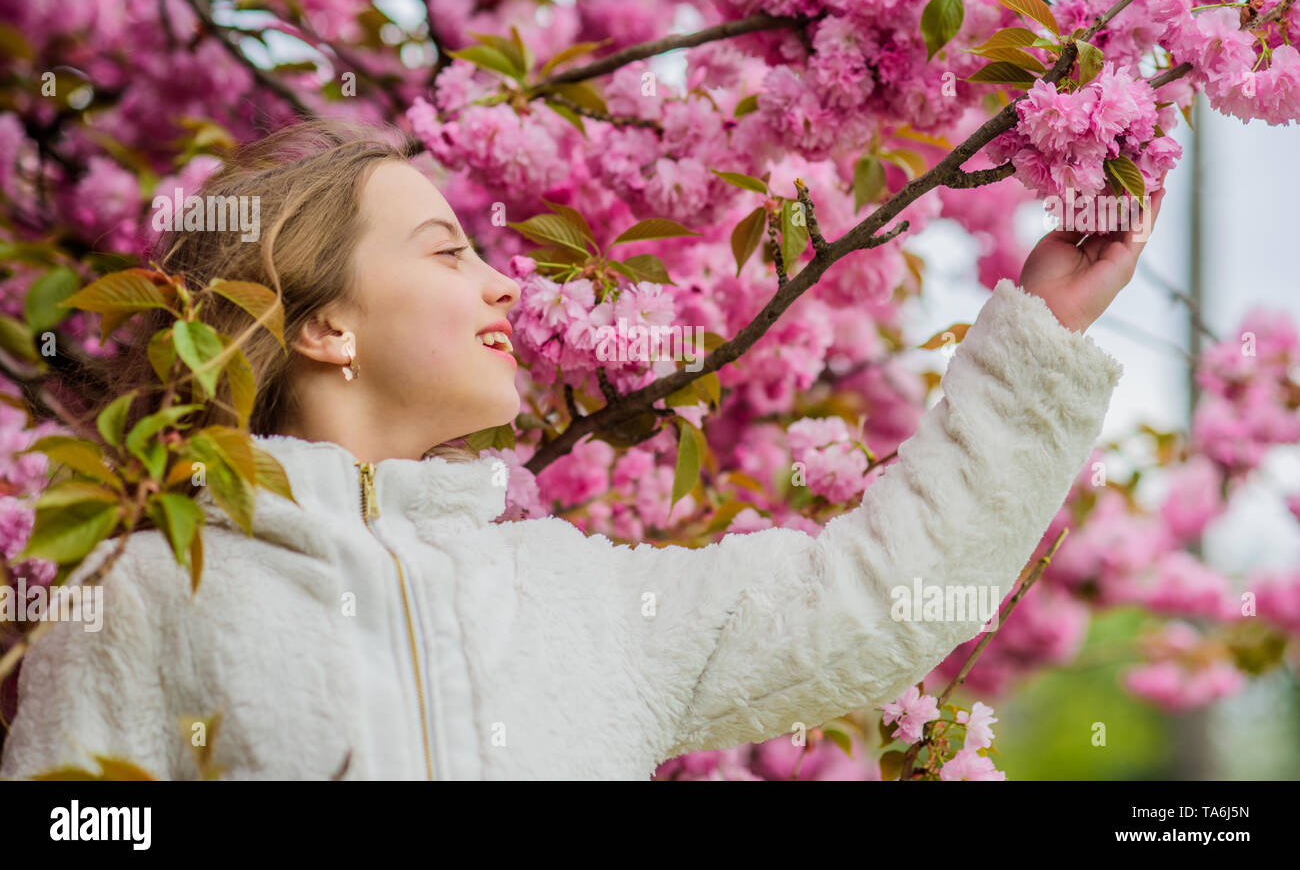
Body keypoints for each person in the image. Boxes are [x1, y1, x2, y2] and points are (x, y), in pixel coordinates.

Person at [0, 117, 1162, 780]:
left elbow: (878, 600)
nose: (505, 277)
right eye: (446, 250)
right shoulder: (154, 595)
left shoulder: (585, 601)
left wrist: (1043, 330)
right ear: (325, 324)